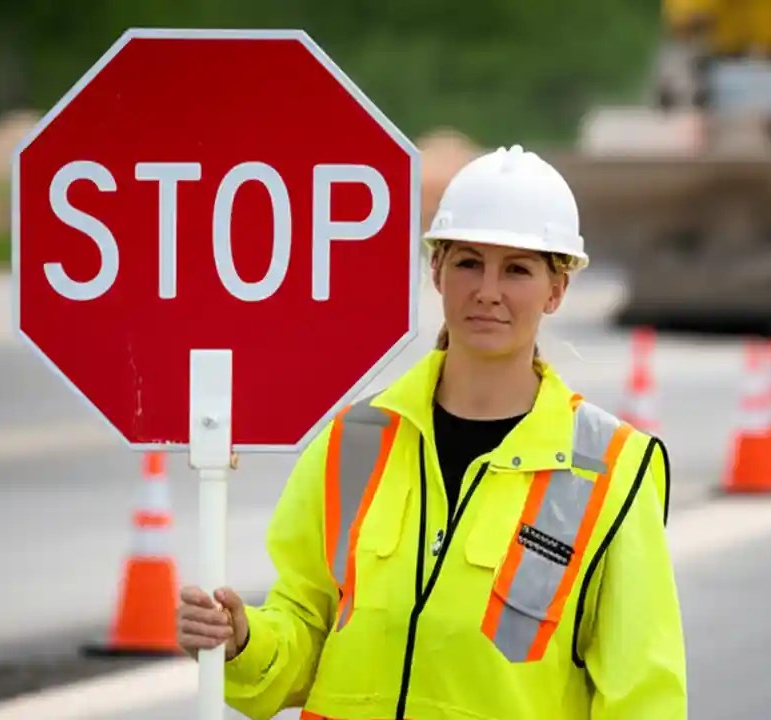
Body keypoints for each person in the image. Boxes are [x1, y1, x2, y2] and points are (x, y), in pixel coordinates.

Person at [177, 144, 688, 719]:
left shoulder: (611, 467)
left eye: (517, 269)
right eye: (468, 262)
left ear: (556, 289)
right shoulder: (356, 440)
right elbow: (304, 627)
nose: (487, 290)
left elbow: (642, 695)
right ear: (436, 270)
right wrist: (243, 642)